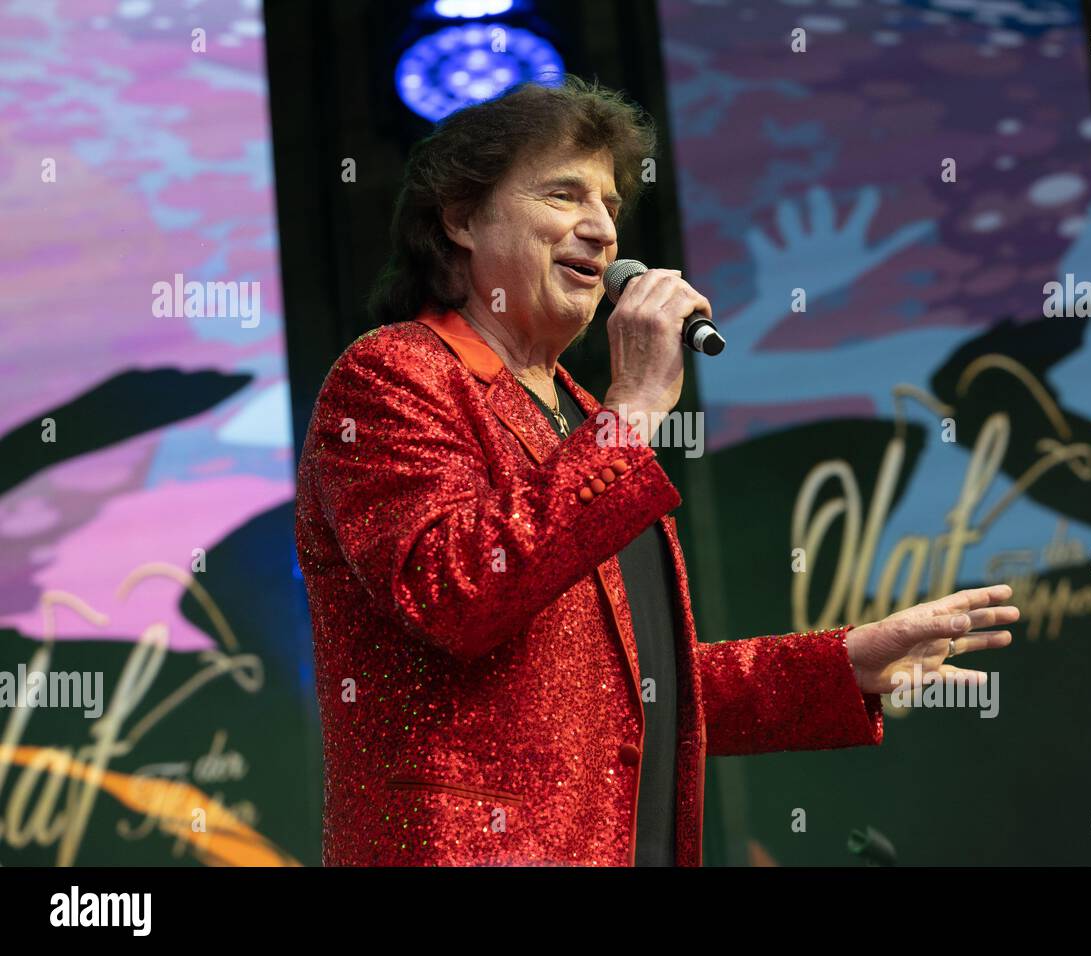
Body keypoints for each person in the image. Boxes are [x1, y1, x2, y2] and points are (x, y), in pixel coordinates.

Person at [294, 75, 1019, 866]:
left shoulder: (576, 411)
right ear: (462, 219)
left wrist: (839, 666)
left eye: (610, 206)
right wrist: (633, 407)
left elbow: (625, 697)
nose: (602, 230)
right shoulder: (394, 375)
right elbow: (456, 591)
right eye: (564, 195)